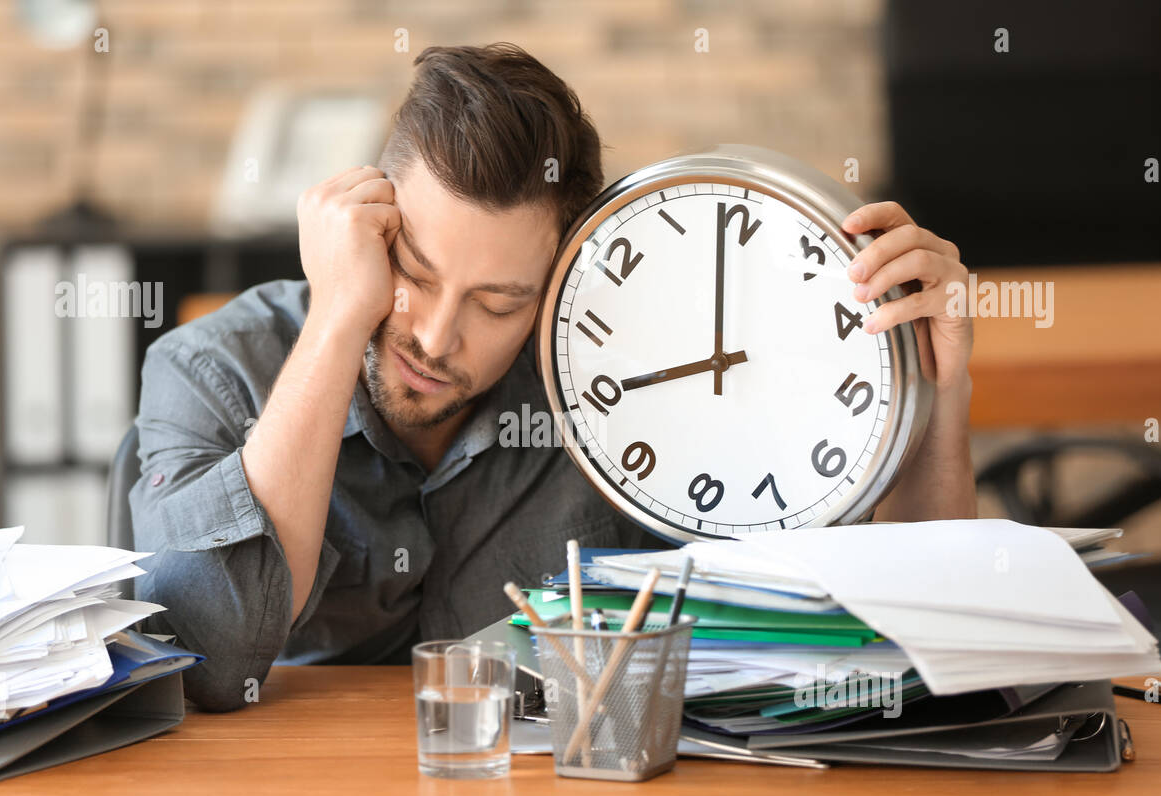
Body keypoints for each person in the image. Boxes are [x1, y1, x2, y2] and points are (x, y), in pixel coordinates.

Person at [130, 43, 976, 712]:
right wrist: (336, 320)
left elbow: (883, 628)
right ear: (367, 220)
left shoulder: (617, 391)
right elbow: (210, 662)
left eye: (498, 304)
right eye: (415, 273)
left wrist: (937, 390)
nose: (432, 334)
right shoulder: (211, 369)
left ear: (560, 288)